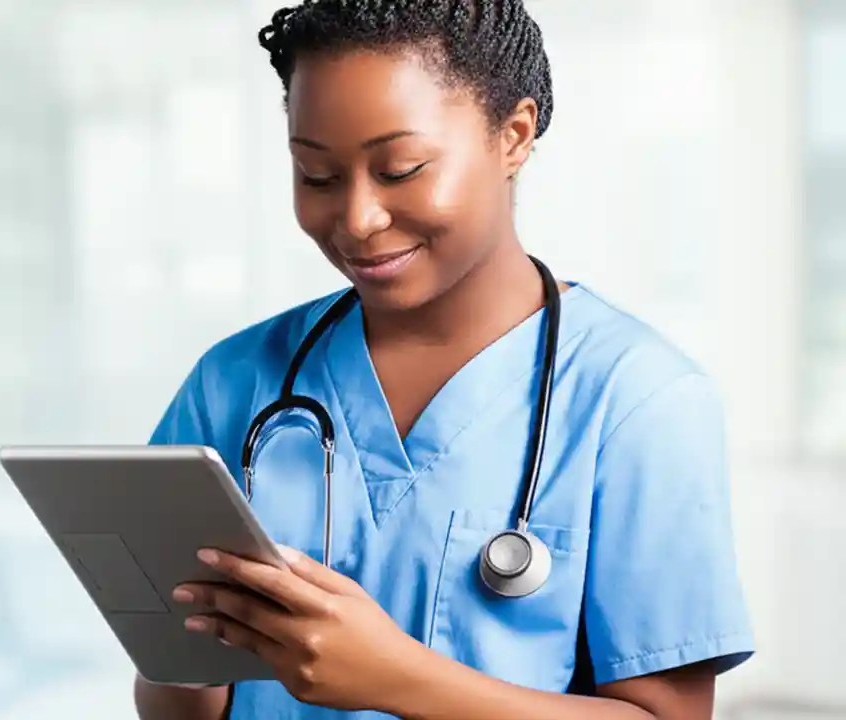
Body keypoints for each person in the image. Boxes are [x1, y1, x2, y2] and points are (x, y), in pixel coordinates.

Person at [133, 1, 754, 718]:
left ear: (514, 136)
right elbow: (182, 703)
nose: (359, 219)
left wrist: (389, 676)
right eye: (318, 176)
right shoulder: (233, 383)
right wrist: (183, 655)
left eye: (402, 168)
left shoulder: (639, 400)